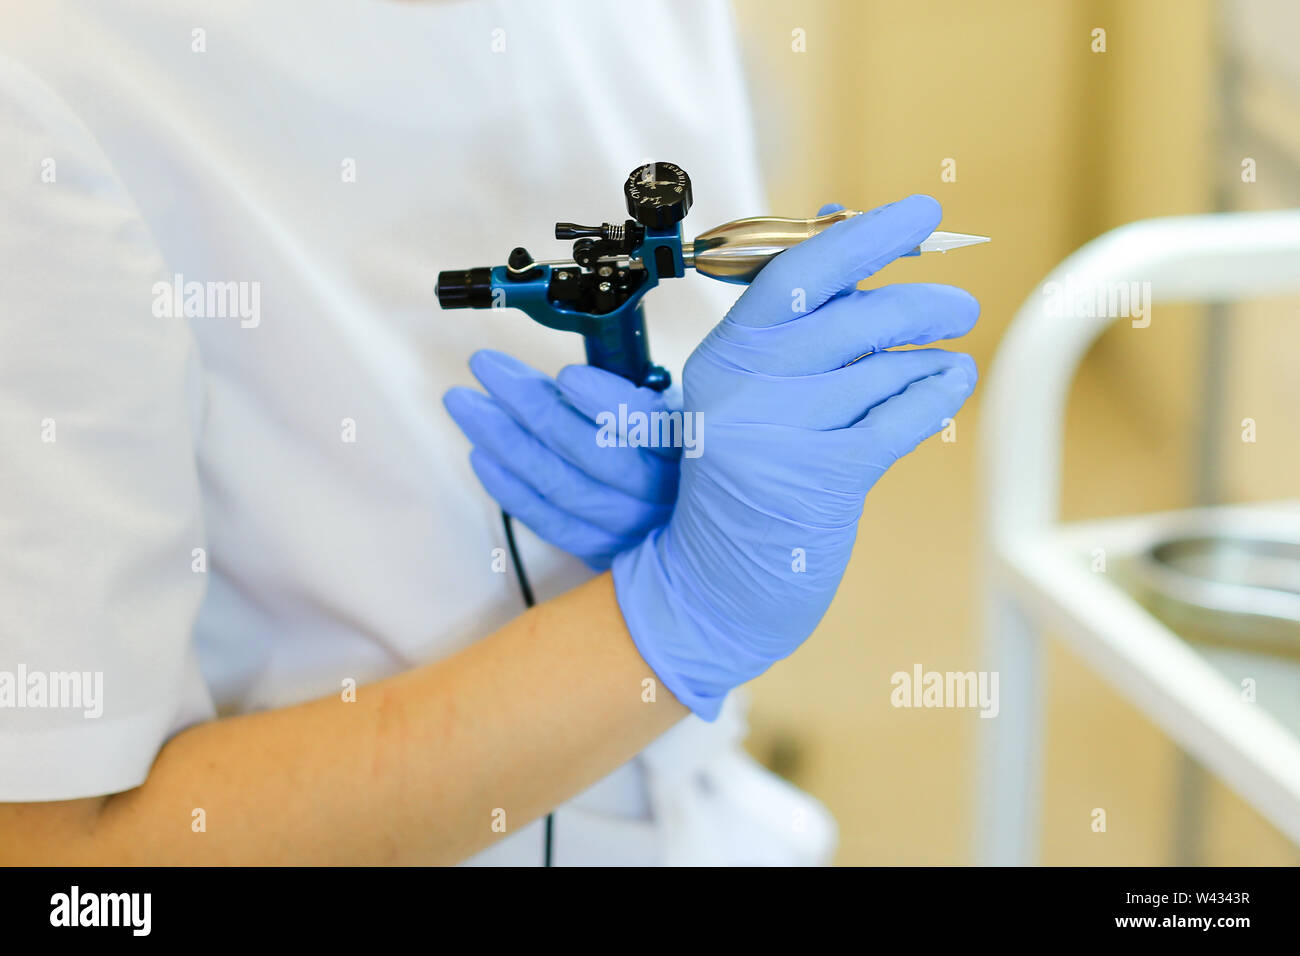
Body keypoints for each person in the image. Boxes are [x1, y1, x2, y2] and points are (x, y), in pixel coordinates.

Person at [0, 0, 977, 865]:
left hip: (704, 806)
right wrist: (671, 619)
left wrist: (688, 474)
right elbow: (66, 862)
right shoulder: (46, 80)